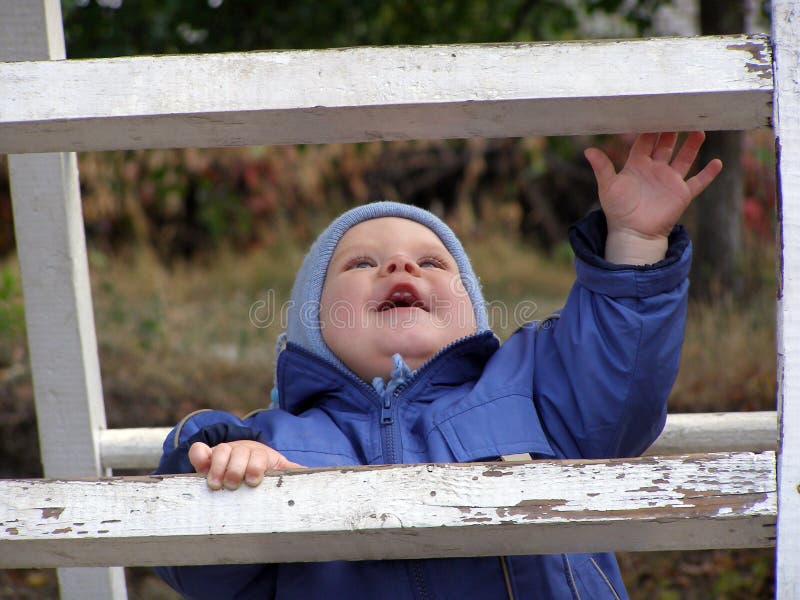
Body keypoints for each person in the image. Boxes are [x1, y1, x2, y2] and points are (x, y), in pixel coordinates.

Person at [154, 131, 722, 599]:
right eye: (360, 263)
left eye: (430, 260)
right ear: (311, 322)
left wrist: (635, 241)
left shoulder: (538, 386)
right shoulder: (274, 439)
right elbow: (197, 568)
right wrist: (224, 468)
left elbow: (621, 368)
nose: (402, 263)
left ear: (472, 314)